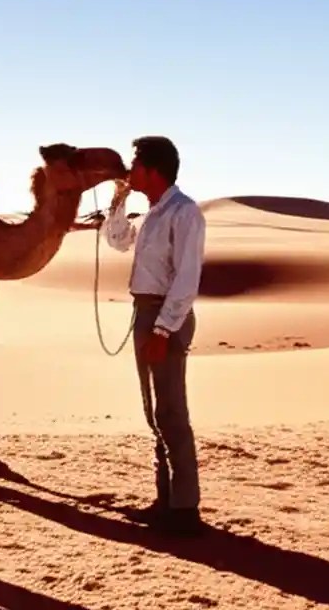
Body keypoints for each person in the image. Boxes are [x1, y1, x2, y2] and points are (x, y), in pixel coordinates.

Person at [103, 135, 207, 536]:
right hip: (145, 312)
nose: (129, 173)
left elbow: (187, 278)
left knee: (172, 413)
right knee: (154, 412)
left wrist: (165, 328)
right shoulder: (150, 214)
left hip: (166, 314)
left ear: (153, 169)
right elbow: (116, 241)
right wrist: (118, 202)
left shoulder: (185, 213)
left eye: (135, 167)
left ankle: (185, 508)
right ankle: (165, 501)